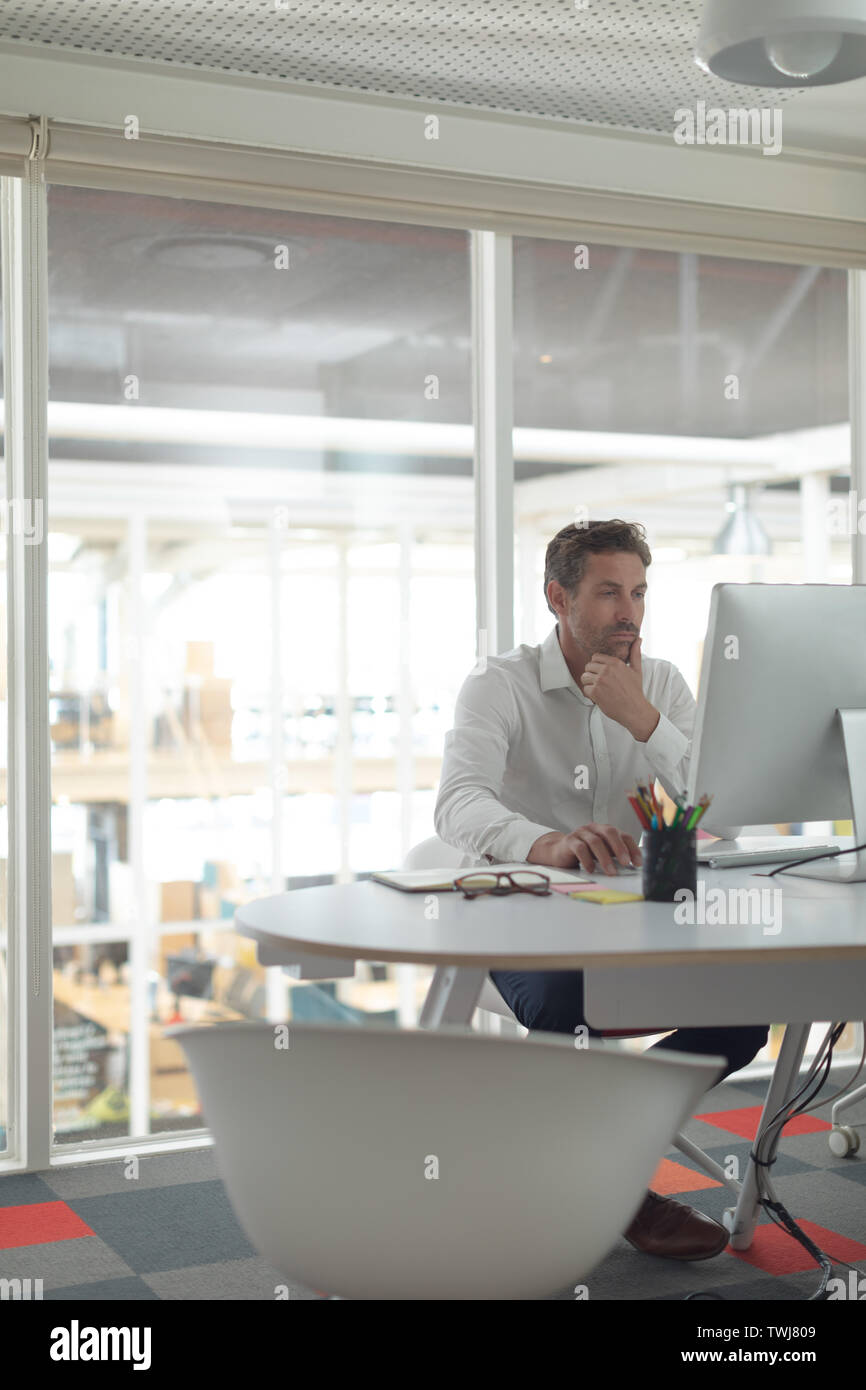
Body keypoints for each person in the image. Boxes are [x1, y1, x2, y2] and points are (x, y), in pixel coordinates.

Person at [434, 518, 769, 1261]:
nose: (630, 611)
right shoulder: (500, 686)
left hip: (628, 924)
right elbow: (456, 803)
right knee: (565, 1004)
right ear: (558, 597)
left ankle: (595, 1156)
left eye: (640, 592)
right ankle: (620, 1186)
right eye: (609, 592)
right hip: (518, 921)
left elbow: (721, 808)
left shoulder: (666, 687)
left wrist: (643, 720)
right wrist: (544, 842)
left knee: (746, 1014)